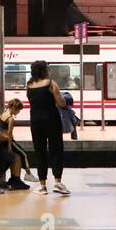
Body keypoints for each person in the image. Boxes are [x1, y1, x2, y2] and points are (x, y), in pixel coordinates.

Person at [26, 60, 69, 196]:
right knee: (56, 149)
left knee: (40, 151)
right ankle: (57, 182)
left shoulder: (29, 85)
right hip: (51, 120)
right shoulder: (51, 84)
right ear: (44, 71)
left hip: (36, 121)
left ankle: (42, 185)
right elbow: (61, 102)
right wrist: (65, 101)